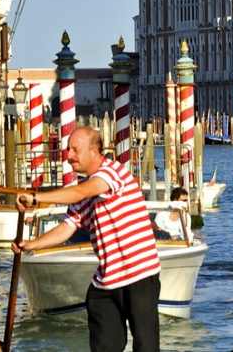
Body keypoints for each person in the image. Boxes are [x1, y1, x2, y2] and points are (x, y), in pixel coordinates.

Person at [15, 125, 161, 352]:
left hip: (139, 274)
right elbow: (68, 227)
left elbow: (82, 192)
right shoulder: (84, 188)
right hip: (107, 281)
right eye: (68, 150)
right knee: (104, 346)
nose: (68, 156)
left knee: (146, 346)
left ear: (94, 151)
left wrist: (36, 199)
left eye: (74, 150)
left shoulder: (113, 172)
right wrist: (30, 245)